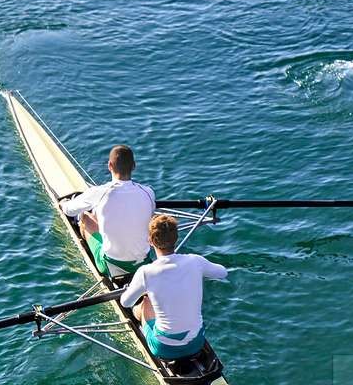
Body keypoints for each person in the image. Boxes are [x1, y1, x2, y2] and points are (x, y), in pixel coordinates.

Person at [119, 214, 228, 360]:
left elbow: (125, 302)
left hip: (163, 348)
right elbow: (223, 273)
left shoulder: (145, 272)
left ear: (150, 241)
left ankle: (144, 324)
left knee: (145, 303)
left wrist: (135, 289)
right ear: (176, 238)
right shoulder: (195, 261)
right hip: (196, 342)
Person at [60, 145, 156, 277]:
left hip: (111, 266)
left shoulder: (99, 192)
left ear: (110, 165)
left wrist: (63, 203)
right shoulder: (149, 193)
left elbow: (68, 210)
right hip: (143, 263)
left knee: (85, 217)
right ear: (133, 166)